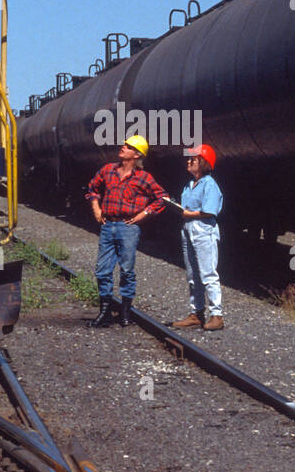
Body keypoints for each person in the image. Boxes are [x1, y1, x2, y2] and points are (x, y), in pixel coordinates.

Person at [85, 135, 167, 327]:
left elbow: (162, 198)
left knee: (127, 271)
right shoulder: (108, 170)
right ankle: (104, 313)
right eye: (124, 145)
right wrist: (96, 208)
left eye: (128, 146)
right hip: (108, 226)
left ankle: (125, 313)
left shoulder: (144, 178)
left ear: (137, 154)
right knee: (102, 270)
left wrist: (144, 214)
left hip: (128, 228)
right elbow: (92, 187)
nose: (123, 147)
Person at [172, 143, 224, 331]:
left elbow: (209, 211)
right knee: (192, 274)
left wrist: (187, 214)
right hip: (188, 229)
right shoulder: (189, 184)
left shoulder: (210, 185)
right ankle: (196, 312)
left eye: (192, 158)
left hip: (203, 230)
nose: (188, 161)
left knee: (208, 273)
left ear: (202, 162)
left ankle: (216, 315)